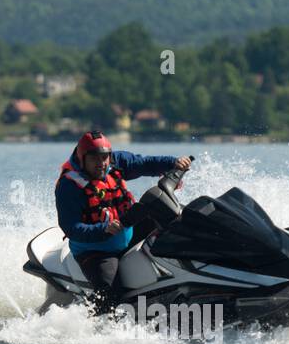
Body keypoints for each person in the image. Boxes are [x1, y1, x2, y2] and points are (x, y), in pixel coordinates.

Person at [54, 130, 191, 312]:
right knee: (110, 295)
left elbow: (144, 163)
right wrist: (103, 229)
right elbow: (72, 228)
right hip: (96, 250)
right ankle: (103, 327)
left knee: (170, 213)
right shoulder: (68, 186)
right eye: (94, 158)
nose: (101, 164)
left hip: (127, 228)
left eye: (104, 158)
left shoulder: (116, 163)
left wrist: (172, 163)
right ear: (82, 159)